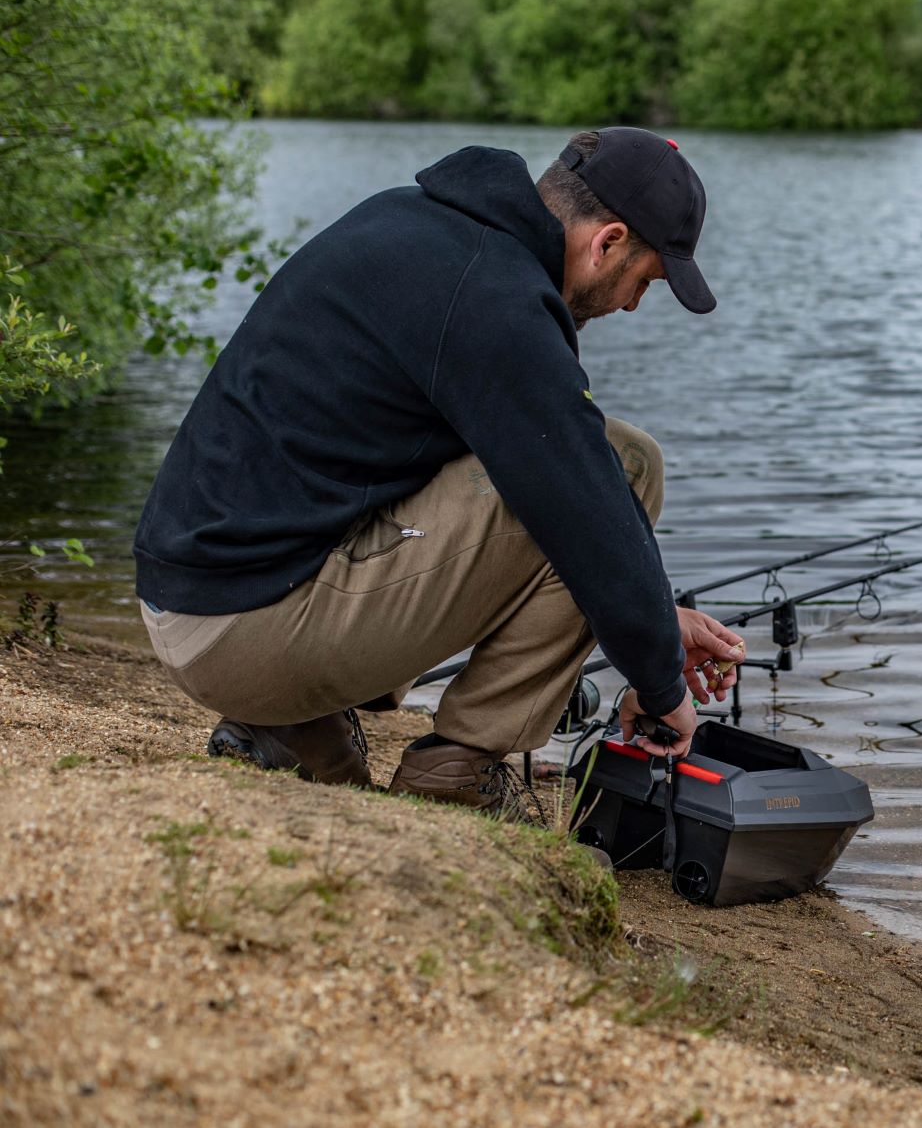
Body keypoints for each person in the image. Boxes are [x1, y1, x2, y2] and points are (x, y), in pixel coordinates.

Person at [132, 127, 745, 816]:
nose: (633, 304)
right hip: (246, 629)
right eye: (645, 280)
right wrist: (661, 686)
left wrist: (652, 619)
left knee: (553, 468)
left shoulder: (413, 220)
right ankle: (454, 770)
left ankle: (298, 730)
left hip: (196, 598)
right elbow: (590, 511)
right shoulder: (495, 300)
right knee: (627, 465)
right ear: (606, 242)